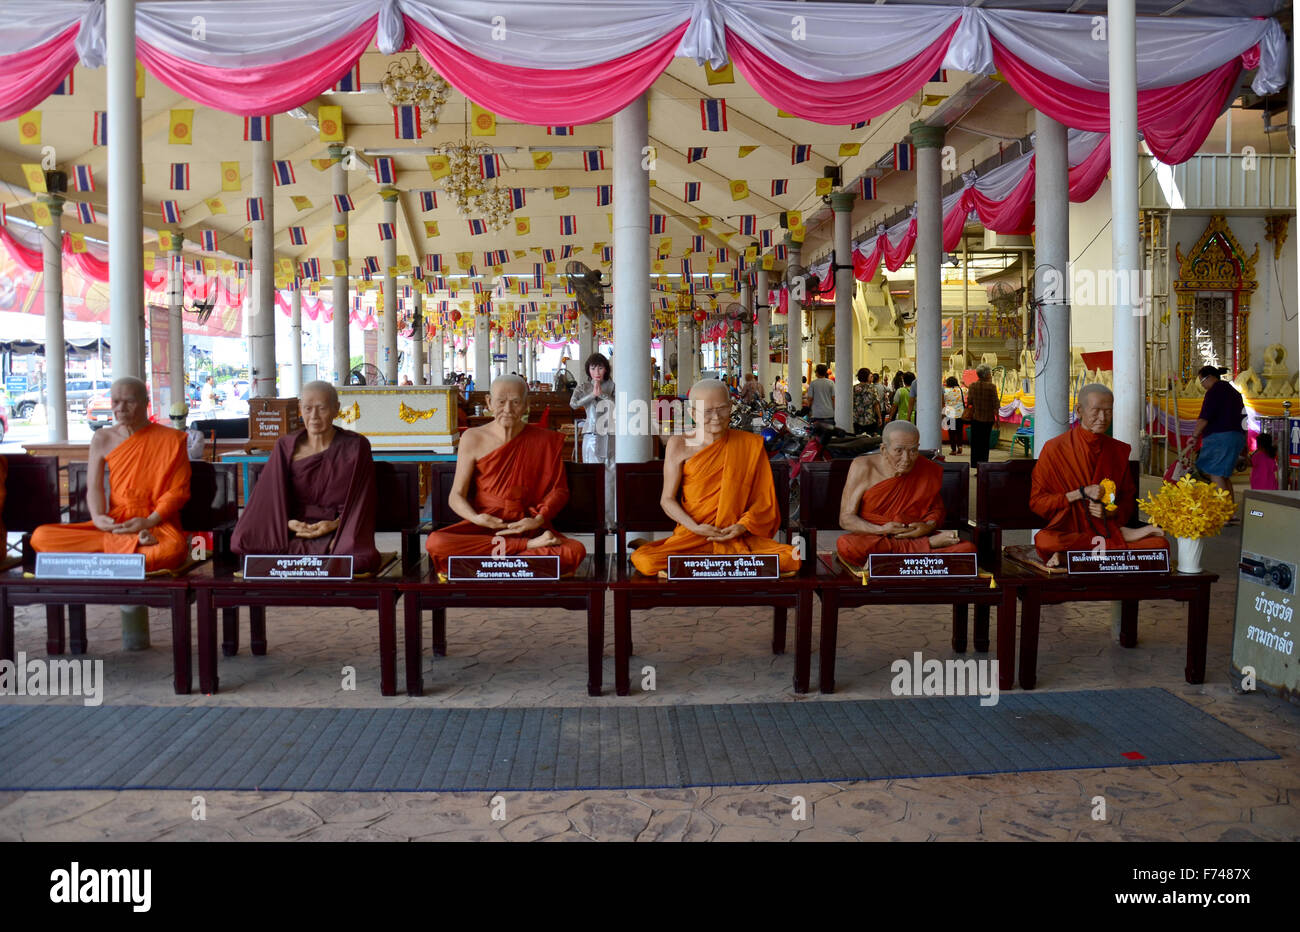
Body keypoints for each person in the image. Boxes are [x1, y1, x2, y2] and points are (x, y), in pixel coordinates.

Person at [631, 379, 799, 576]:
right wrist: (695, 527)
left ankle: (690, 563)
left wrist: (742, 526)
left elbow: (763, 502)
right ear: (693, 413)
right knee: (646, 561)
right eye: (708, 411)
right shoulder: (679, 444)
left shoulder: (749, 444)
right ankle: (711, 561)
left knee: (793, 557)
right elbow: (666, 500)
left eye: (722, 409)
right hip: (693, 535)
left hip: (736, 537)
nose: (716, 417)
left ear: (730, 408)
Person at [426, 374, 586, 575]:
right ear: (489, 403)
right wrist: (477, 519)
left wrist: (537, 520)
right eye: (501, 402)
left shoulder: (544, 441)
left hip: (526, 524)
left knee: (574, 551)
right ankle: (527, 549)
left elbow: (559, 491)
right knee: (436, 542)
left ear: (526, 404)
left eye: (516, 402)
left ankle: (490, 563)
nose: (508, 409)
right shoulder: (473, 438)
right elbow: (456, 495)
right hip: (485, 526)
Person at [32, 377, 192, 572]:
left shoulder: (172, 439)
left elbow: (178, 491)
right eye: (115, 402)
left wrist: (149, 521)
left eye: (129, 401)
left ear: (146, 403)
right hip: (117, 525)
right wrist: (99, 518)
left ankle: (114, 555)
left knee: (171, 550)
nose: (121, 408)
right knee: (41, 537)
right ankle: (133, 546)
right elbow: (94, 487)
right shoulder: (102, 437)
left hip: (154, 522)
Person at [231, 381, 381, 574]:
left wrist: (336, 525)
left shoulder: (356, 446)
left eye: (322, 408)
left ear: (336, 409)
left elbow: (363, 500)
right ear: (300, 410)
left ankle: (333, 548)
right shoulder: (286, 446)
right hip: (293, 528)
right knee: (243, 541)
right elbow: (268, 499)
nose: (314, 417)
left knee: (356, 559)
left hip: (339, 527)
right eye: (308, 409)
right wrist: (286, 523)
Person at [1030, 383, 1167, 567]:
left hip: (1107, 528)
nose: (1102, 418)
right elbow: (1038, 503)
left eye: (1108, 411)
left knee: (1161, 545)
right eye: (1096, 411)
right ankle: (1121, 539)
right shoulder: (1055, 449)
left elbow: (1127, 500)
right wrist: (1079, 493)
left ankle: (1068, 557)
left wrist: (1111, 512)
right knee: (1045, 540)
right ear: (1079, 410)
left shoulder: (1117, 450)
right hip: (1071, 531)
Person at [835, 421, 977, 566]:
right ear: (884, 449)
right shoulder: (863, 467)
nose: (907, 459)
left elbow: (936, 510)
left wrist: (927, 527)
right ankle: (926, 548)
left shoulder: (926, 469)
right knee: (847, 544)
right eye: (899, 451)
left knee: (967, 549)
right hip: (876, 537)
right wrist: (881, 529)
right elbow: (846, 518)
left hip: (913, 536)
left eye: (913, 451)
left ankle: (887, 561)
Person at [1182, 365, 1247, 503]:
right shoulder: (1233, 391)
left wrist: (1194, 436)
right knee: (1224, 475)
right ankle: (1229, 512)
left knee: (1215, 473)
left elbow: (1205, 417)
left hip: (1221, 437)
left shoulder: (1214, 391)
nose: (1202, 385)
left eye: (1202, 381)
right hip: (1237, 436)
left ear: (1210, 377)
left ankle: (1222, 511)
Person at [570, 352, 617, 525]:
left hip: (610, 433)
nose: (596, 371)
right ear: (588, 370)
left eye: (600, 367)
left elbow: (619, 405)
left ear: (606, 369)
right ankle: (594, 519)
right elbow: (574, 403)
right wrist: (592, 394)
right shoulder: (583, 387)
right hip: (590, 435)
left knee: (611, 475)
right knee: (593, 475)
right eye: (593, 368)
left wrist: (602, 394)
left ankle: (611, 521)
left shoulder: (612, 386)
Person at [965, 365, 999, 466]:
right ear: (987, 375)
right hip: (988, 419)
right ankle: (983, 465)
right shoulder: (992, 387)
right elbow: (996, 405)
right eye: (990, 373)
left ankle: (975, 464)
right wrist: (997, 420)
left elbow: (969, 402)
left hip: (975, 418)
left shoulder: (972, 386)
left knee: (975, 443)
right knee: (985, 443)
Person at [852, 368, 881, 435]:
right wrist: (879, 417)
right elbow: (876, 404)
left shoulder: (854, 388)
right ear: (867, 377)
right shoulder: (872, 389)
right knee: (869, 438)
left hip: (856, 418)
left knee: (857, 437)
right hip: (869, 418)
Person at [942, 376, 966, 455]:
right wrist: (964, 384)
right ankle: (960, 446)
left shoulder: (945, 391)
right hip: (960, 414)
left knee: (952, 432)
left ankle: (953, 450)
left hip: (950, 415)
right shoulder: (961, 390)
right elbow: (969, 390)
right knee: (959, 432)